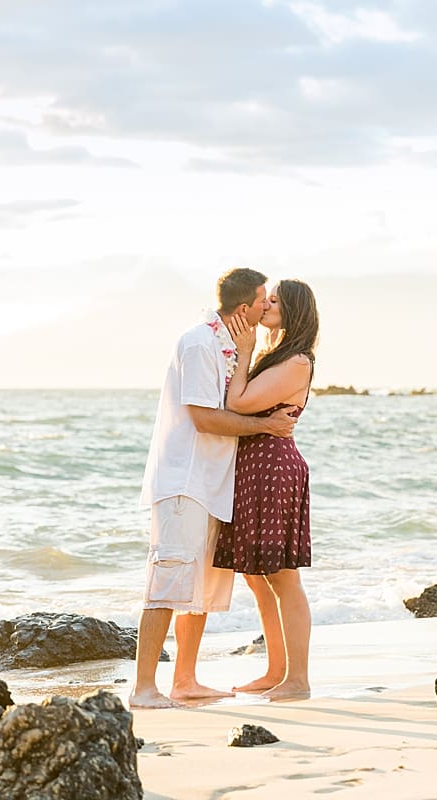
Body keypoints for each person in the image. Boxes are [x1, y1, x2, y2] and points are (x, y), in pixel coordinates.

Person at [130, 268, 300, 709]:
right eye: (265, 300)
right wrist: (266, 425)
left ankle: (184, 679)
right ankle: (144, 688)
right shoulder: (200, 342)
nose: (269, 307)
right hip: (185, 481)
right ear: (245, 308)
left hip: (213, 484)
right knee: (168, 580)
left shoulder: (231, 344)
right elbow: (205, 417)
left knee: (198, 588)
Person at [214, 279, 318, 700]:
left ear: (293, 311)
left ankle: (298, 679)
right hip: (255, 466)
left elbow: (238, 402)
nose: (266, 304)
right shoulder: (275, 354)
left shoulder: (296, 361)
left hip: (274, 467)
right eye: (267, 297)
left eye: (275, 300)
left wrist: (242, 351)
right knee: (258, 578)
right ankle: (277, 671)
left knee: (282, 577)